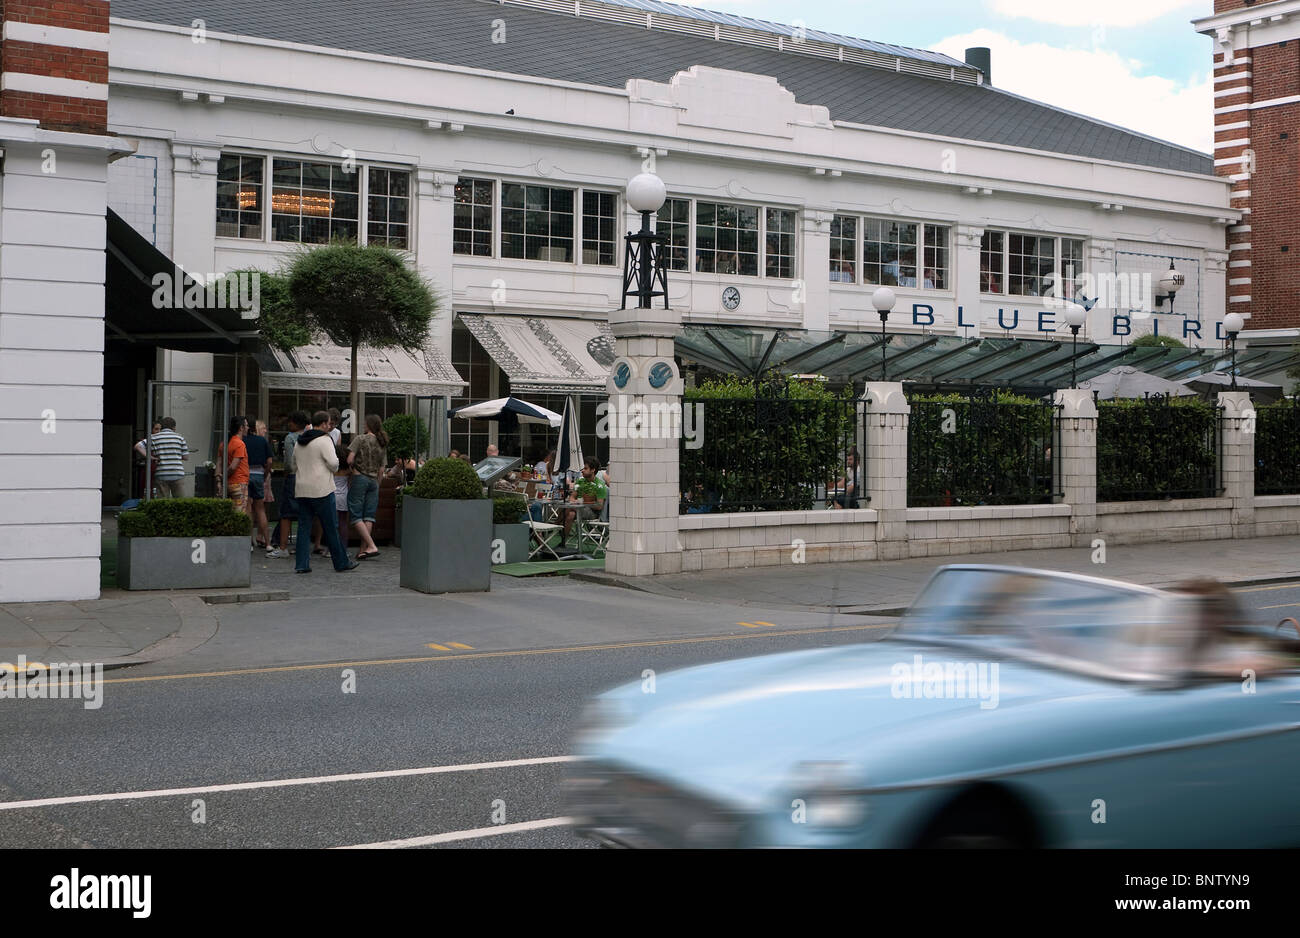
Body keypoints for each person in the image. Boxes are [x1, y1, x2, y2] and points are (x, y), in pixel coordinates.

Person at [293, 410, 358, 574]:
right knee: (331, 527)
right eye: (329, 423)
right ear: (322, 424)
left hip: (302, 488)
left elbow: (293, 463)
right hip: (321, 488)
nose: (330, 426)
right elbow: (334, 464)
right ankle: (341, 562)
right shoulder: (324, 440)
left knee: (303, 527)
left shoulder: (299, 441)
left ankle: (302, 564)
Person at [346, 414, 387, 560]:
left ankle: (371, 545)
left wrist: (354, 471)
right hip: (374, 481)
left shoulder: (360, 439)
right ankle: (363, 550)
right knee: (369, 516)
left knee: (355, 513)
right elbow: (382, 469)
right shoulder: (382, 442)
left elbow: (349, 459)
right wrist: (378, 483)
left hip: (360, 478)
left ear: (368, 425)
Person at [269, 411, 306, 559]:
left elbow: (289, 463)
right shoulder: (308, 437)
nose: (288, 424)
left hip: (292, 477)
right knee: (304, 513)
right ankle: (301, 547)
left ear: (295, 423)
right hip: (306, 477)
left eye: (290, 422)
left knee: (286, 513)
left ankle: (283, 546)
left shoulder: (290, 438)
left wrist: (286, 471)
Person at [245, 419, 275, 549]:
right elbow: (269, 461)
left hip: (245, 474)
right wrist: (265, 474)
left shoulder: (242, 441)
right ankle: (267, 543)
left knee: (248, 509)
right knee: (261, 509)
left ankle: (249, 542)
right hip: (258, 474)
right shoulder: (262, 441)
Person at [563, 457, 607, 540]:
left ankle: (555, 525)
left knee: (567, 508)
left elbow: (599, 506)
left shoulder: (600, 485)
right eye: (582, 468)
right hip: (576, 509)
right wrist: (574, 501)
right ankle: (563, 541)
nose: (582, 470)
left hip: (592, 513)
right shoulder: (580, 481)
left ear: (593, 470)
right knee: (570, 515)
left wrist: (584, 503)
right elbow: (572, 497)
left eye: (585, 468)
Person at [147, 417, 188, 498]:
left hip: (161, 474)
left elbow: (138, 446)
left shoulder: (154, 437)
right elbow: (186, 457)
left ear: (162, 426)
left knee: (162, 503)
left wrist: (151, 457)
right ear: (174, 427)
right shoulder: (180, 437)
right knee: (180, 502)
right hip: (177, 473)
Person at [226, 416, 251, 523]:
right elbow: (233, 466)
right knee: (240, 513)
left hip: (231, 482)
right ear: (241, 428)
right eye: (246, 425)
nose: (248, 428)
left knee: (233, 511)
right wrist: (224, 476)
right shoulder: (239, 444)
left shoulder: (229, 442)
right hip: (239, 482)